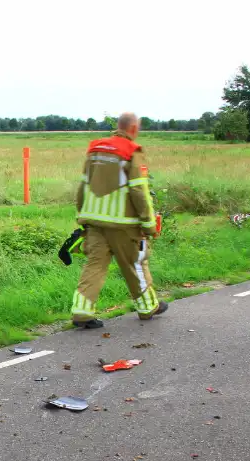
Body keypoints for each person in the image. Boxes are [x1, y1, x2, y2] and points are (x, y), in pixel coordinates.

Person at [69, 111, 166, 329]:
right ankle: (148, 307)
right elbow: (139, 191)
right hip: (124, 225)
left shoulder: (95, 150)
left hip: (94, 222)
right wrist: (149, 224)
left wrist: (81, 216)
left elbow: (82, 186)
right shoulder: (132, 152)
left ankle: (81, 312)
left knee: (94, 266)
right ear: (133, 129)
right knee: (136, 264)